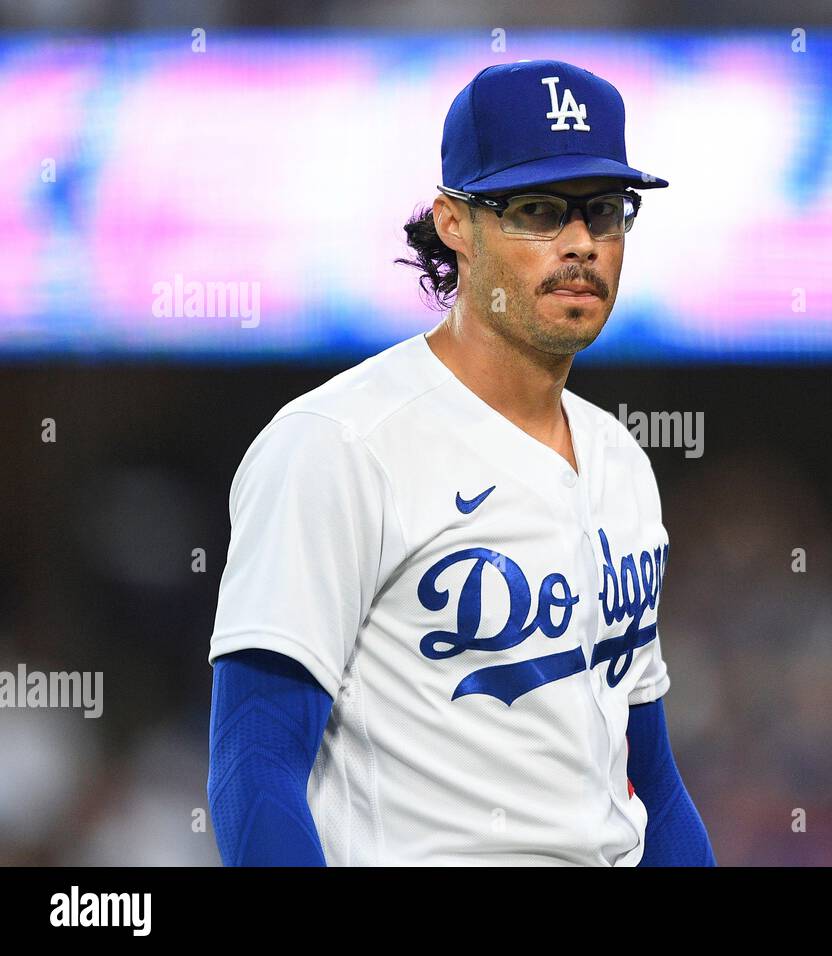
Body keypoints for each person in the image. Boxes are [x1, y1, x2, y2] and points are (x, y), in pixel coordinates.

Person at [206, 59, 715, 866]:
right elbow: (253, 761)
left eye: (605, 211)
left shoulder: (621, 460)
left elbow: (648, 777)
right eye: (539, 211)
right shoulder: (338, 443)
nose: (581, 243)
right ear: (453, 222)